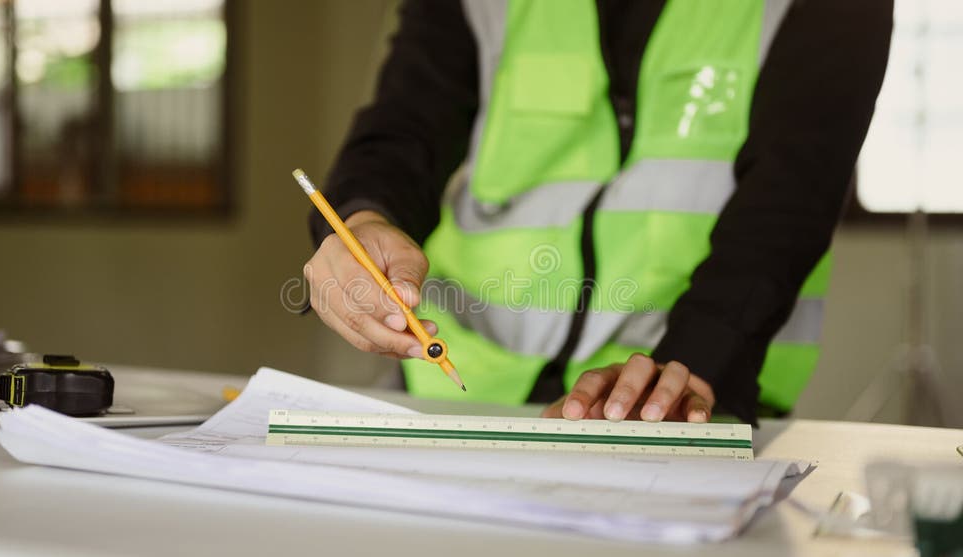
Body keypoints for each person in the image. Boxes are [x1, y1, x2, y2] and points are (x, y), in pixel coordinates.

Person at [305, 0, 893, 425]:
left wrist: (685, 373)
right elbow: (404, 129)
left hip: (683, 399)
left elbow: (791, 197)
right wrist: (363, 220)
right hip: (459, 388)